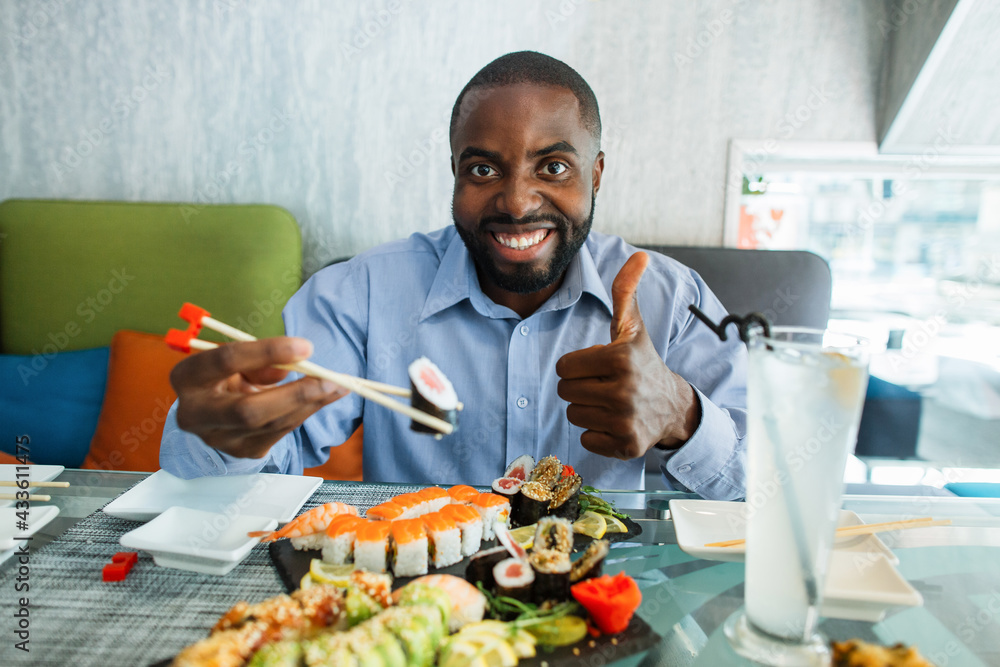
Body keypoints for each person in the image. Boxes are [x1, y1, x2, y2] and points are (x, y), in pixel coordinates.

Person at [160, 51, 748, 499]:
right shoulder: (361, 295)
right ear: (454, 172)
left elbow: (775, 486)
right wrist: (224, 442)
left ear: (596, 173)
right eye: (485, 168)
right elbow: (241, 467)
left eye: (554, 165)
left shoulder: (676, 298)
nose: (517, 203)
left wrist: (682, 414)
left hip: (612, 609)